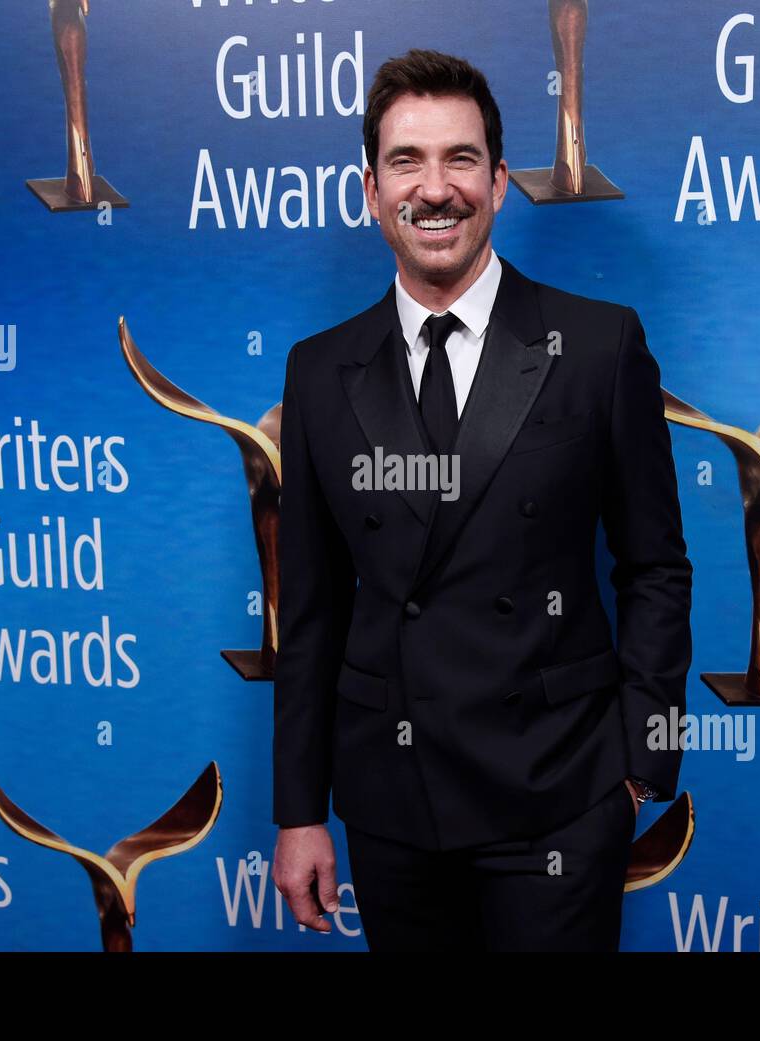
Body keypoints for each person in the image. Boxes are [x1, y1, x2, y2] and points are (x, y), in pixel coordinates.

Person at [271, 48, 692, 951]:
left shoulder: (597, 344)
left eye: (461, 159)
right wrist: (301, 810)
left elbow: (655, 565)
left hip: (559, 801)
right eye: (406, 162)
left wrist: (640, 769)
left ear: (499, 183)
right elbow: (307, 612)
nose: (436, 188)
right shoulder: (316, 372)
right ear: (372, 190)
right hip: (392, 811)